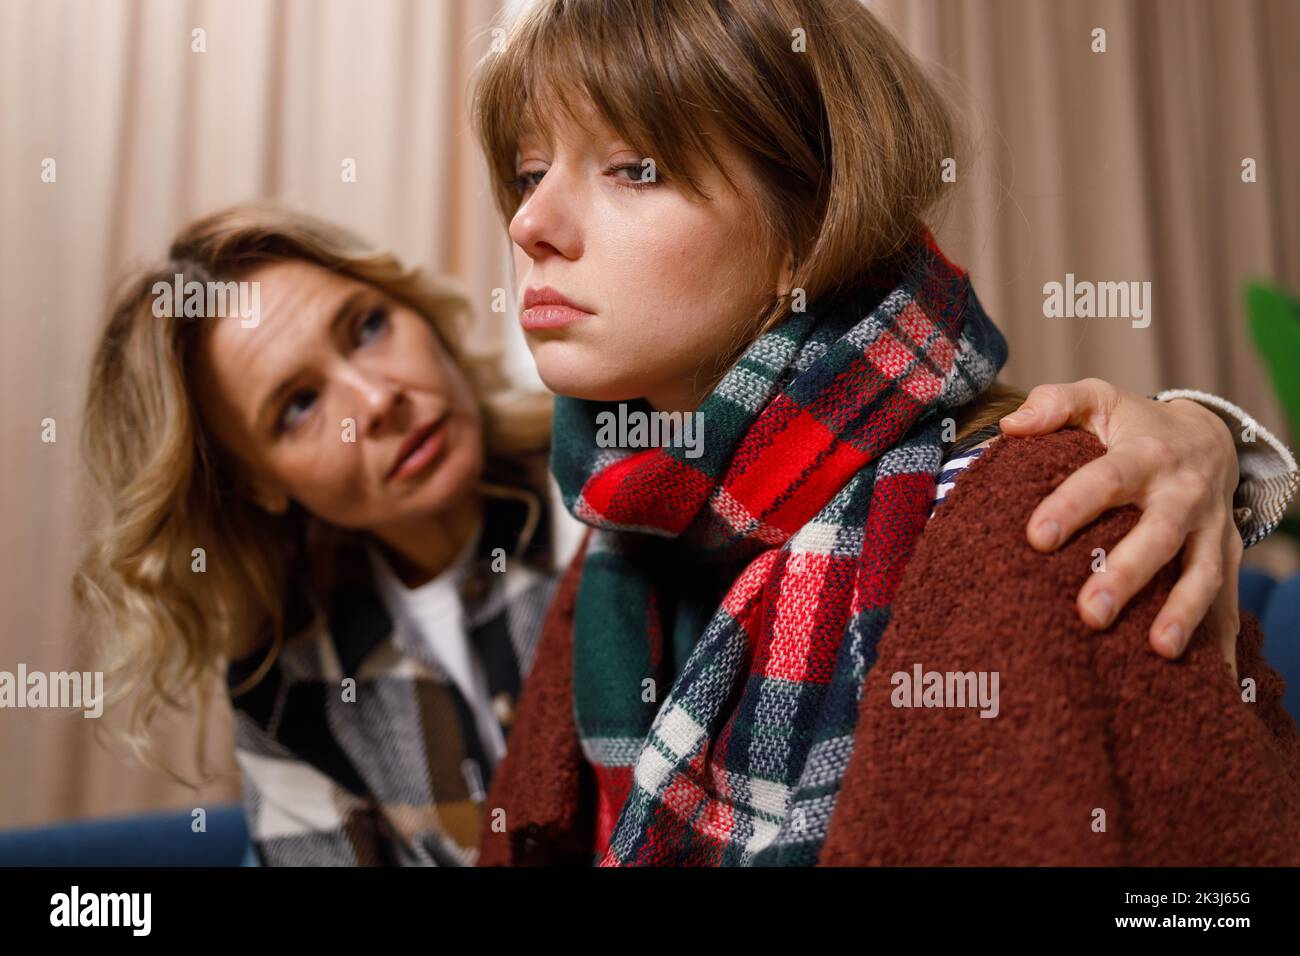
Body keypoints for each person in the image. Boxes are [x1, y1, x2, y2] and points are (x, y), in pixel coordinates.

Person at [468, 0, 1300, 865]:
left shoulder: (1044, 516)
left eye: (633, 169)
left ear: (810, 228)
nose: (531, 225)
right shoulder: (621, 541)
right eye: (530, 173)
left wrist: (1212, 433)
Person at [75, 202, 557, 865]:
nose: (378, 400)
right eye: (299, 405)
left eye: (366, 327)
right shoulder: (285, 683)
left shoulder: (615, 482)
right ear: (259, 485)